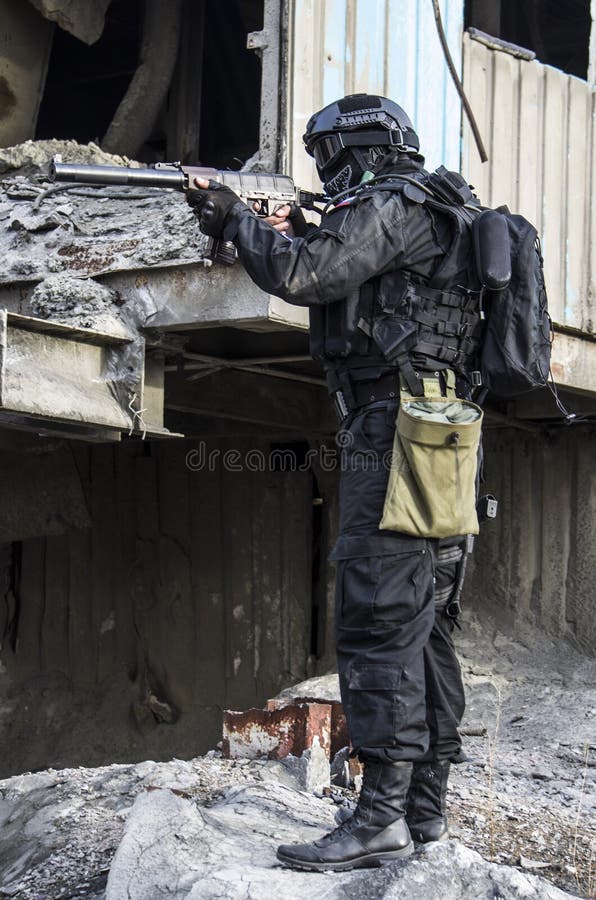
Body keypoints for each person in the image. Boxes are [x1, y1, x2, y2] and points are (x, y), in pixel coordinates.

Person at [187, 94, 486, 872]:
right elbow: (345, 266)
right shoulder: (439, 207)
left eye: (327, 155)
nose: (324, 171)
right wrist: (285, 225)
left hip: (392, 430)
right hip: (444, 430)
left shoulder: (390, 204)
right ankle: (422, 816)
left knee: (380, 618)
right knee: (423, 628)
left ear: (358, 148)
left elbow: (305, 273)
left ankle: (380, 817)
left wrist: (234, 217)